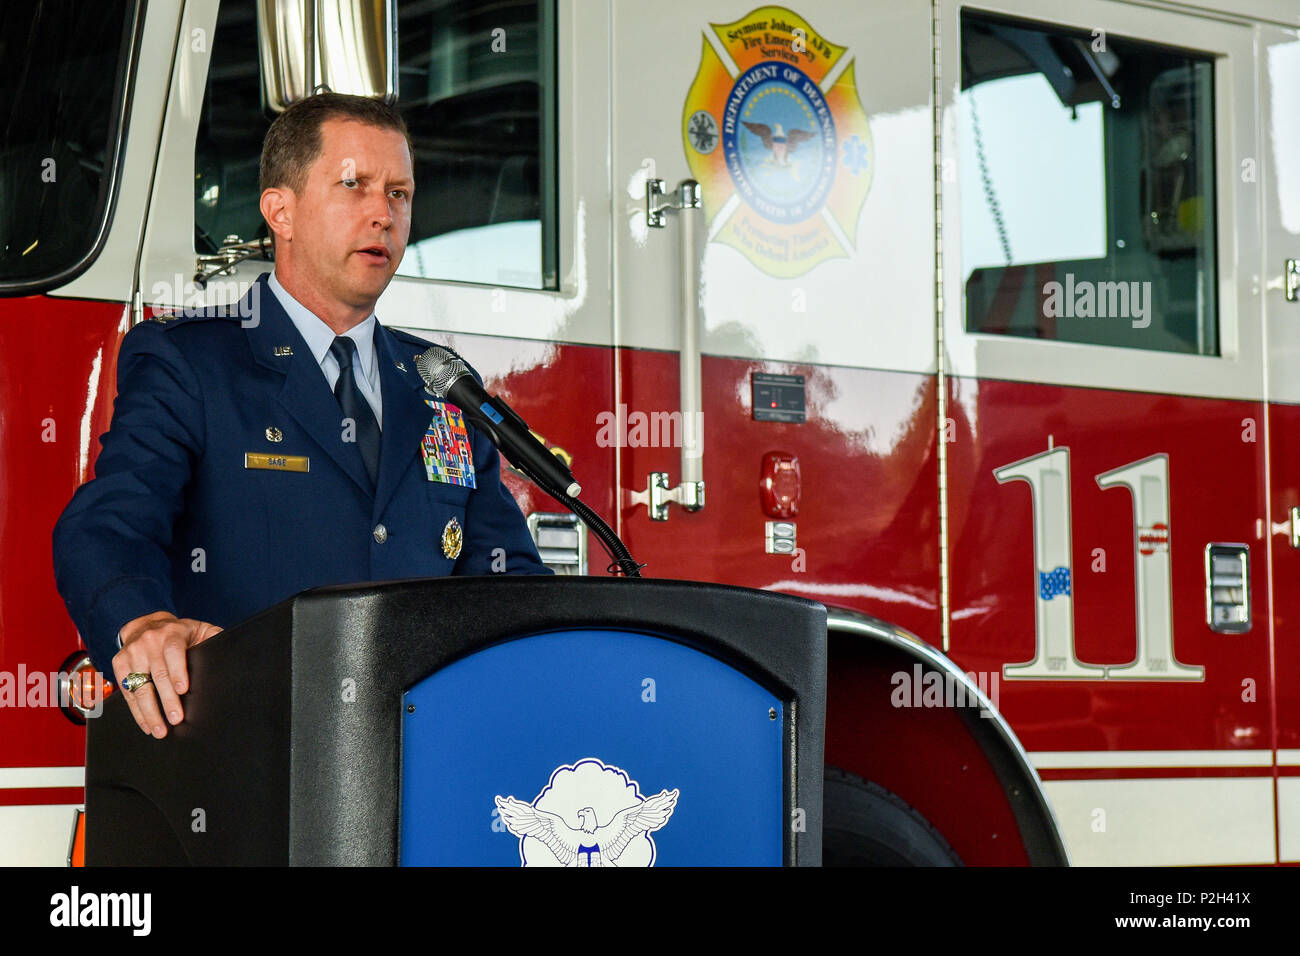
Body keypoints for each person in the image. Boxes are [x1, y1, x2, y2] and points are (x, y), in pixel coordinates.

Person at [52, 93, 549, 739]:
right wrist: (143, 624)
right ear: (279, 210)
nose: (383, 214)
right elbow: (107, 525)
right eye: (355, 185)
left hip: (420, 758)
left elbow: (506, 578)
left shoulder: (439, 379)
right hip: (245, 750)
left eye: (399, 193)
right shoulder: (192, 362)